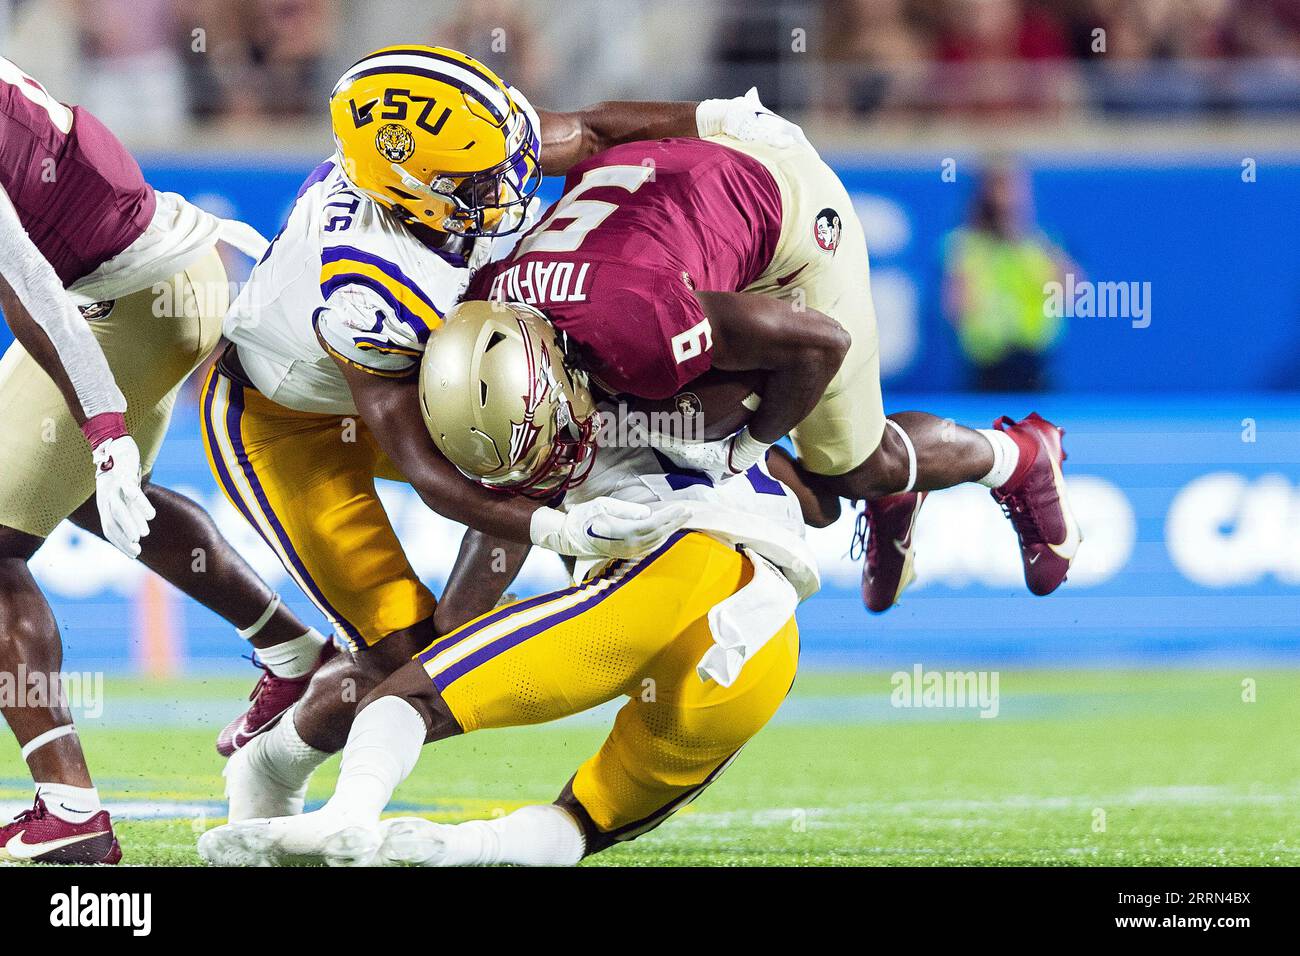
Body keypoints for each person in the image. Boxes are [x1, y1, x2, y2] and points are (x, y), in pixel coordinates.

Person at [198, 46, 814, 799]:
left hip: (441, 384)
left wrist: (718, 118)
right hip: (287, 422)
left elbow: (585, 132)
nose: (516, 186)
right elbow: (426, 468)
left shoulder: (469, 151)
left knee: (565, 453)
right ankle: (266, 771)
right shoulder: (368, 282)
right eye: (482, 180)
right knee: (402, 657)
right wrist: (553, 530)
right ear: (408, 189)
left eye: (506, 157)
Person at [197, 300, 818, 866]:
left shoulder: (560, 411)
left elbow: (500, 537)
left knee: (407, 694)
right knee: (586, 823)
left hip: (675, 577)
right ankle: (461, 848)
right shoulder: (688, 362)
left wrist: (452, 634)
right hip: (767, 645)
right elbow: (828, 481)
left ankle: (347, 816)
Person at [466, 102, 1082, 613]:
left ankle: (1018, 456)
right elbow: (589, 129)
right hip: (694, 185)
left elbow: (819, 342)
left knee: (854, 469)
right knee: (651, 429)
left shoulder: (640, 324)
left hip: (792, 212)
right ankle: (893, 486)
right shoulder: (485, 299)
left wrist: (751, 445)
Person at [0, 54, 328, 864]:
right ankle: (299, 656)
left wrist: (104, 428)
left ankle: (68, 810)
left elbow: (33, 294)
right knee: (89, 494)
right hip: (172, 271)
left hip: (120, 301)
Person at [942, 160, 1072, 392]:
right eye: (1002, 188)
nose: (1010, 198)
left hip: (1035, 363)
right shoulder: (966, 245)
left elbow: (1071, 289)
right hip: (987, 366)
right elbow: (954, 306)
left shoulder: (1040, 245)